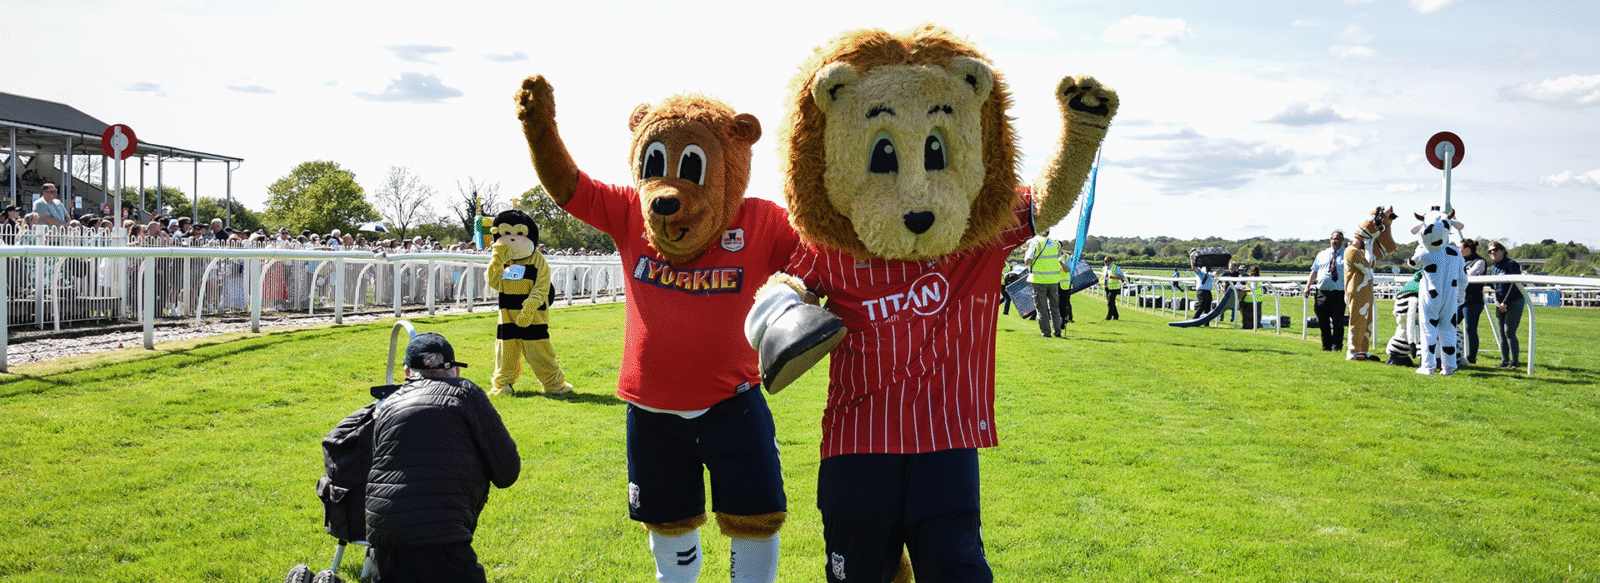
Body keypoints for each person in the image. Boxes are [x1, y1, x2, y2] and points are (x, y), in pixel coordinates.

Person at [365, 332, 520, 583]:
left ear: (406, 372)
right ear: (456, 371)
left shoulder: (388, 405)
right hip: (440, 533)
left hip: (382, 534)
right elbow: (507, 472)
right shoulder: (467, 393)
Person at [1304, 230, 1348, 352]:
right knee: (1323, 322)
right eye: (1334, 239)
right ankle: (1326, 346)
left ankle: (1337, 346)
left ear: (1342, 241)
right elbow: (1314, 271)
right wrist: (1308, 286)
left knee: (1338, 321)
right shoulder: (1321, 254)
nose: (1336, 241)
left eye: (1339, 239)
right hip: (1322, 293)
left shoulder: (1347, 255)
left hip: (1339, 293)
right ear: (1330, 240)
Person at [1486, 242, 1524, 369]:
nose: (1493, 253)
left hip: (1513, 301)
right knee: (1501, 332)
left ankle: (1515, 361)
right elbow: (1495, 286)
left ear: (1502, 250)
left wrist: (1505, 302)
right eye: (1490, 251)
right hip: (1499, 303)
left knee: (1509, 332)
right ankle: (1504, 360)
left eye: (1495, 250)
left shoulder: (1511, 264)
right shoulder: (1493, 267)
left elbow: (1515, 284)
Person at [1023, 235, 1065, 338]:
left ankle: (1046, 333)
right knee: (1054, 308)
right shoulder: (1055, 243)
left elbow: (1027, 261)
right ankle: (1057, 331)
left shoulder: (1035, 242)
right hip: (1054, 280)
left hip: (1039, 280)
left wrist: (1026, 252)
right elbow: (1059, 253)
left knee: (1042, 308)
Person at [1458, 239, 1487, 365]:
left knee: (1470, 329)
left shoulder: (1480, 261)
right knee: (1450, 323)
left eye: (1460, 248)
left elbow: (1470, 275)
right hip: (1461, 300)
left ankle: (1472, 357)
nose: (1458, 250)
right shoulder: (1460, 261)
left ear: (1467, 249)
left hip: (1473, 301)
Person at [1190, 256, 1215, 322]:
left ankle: (1206, 322)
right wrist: (1191, 259)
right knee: (1202, 306)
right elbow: (1193, 267)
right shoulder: (1200, 271)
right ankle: (1194, 320)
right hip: (1201, 291)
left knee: (1208, 308)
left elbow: (1218, 273)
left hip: (1208, 292)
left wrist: (1222, 266)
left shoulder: (1210, 273)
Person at [1101, 255, 1124, 320]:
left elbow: (1122, 276)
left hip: (1114, 288)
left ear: (1111, 261)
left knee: (1110, 302)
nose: (1106, 263)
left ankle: (1109, 316)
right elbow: (1103, 277)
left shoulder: (1115, 268)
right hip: (1107, 287)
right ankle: (1116, 315)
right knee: (1111, 302)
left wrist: (1114, 277)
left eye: (1108, 261)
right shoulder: (1104, 268)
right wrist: (1099, 283)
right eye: (1105, 261)